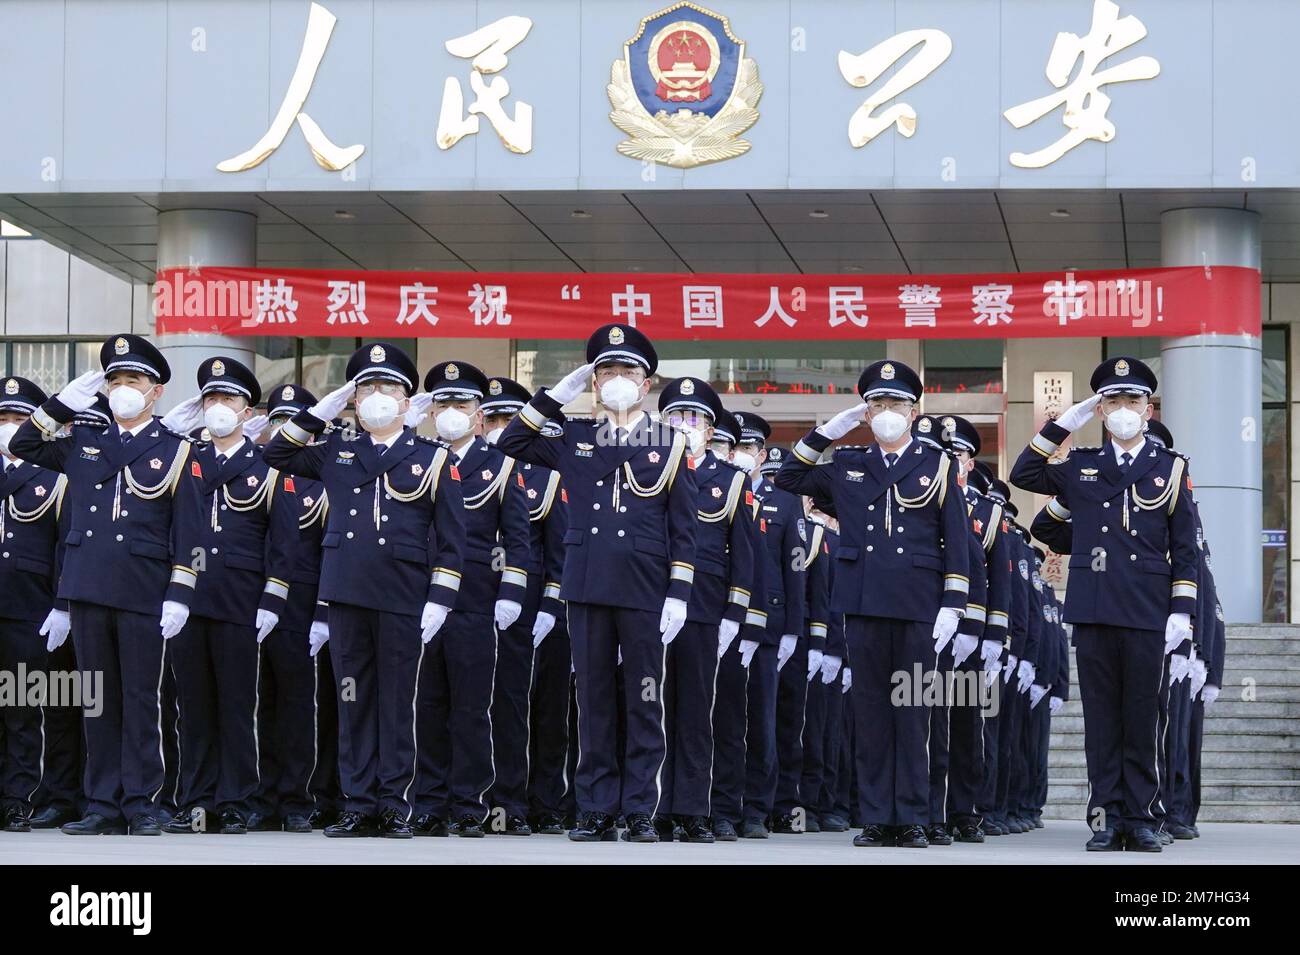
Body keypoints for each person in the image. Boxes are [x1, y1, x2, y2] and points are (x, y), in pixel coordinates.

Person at [497, 323, 697, 843]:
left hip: (646, 588)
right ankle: (595, 806)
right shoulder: (576, 437)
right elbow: (513, 439)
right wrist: (558, 392)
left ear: (646, 383)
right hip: (586, 586)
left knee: (644, 699)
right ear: (593, 382)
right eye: (605, 371)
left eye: (626, 371)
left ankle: (638, 809)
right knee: (593, 699)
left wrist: (678, 592)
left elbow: (685, 529)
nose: (615, 380)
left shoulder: (670, 444)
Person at [263, 342, 465, 838]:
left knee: (397, 703)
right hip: (346, 594)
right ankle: (358, 801)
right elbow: (276, 451)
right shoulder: (338, 450)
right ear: (354, 400)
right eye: (367, 388)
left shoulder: (432, 459)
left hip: (403, 596)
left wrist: (440, 599)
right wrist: (320, 412)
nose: (378, 396)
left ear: (406, 400)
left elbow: (453, 541)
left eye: (389, 387)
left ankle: (395, 802)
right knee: (353, 699)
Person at [11, 334, 205, 835]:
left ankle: (140, 802)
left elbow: (192, 533)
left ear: (155, 390)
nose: (122, 389)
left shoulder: (177, 450)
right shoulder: (85, 442)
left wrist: (181, 592)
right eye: (115, 381)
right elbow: (23, 443)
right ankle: (101, 802)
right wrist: (62, 404)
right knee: (97, 699)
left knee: (142, 701)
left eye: (132, 381)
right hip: (89, 585)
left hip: (143, 590)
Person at [1009, 356, 1200, 853]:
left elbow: (1186, 546)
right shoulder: (1081, 466)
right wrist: (1065, 421)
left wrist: (1182, 610)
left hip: (1146, 608)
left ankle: (1139, 817)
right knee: (1101, 720)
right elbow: (1024, 472)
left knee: (1142, 716)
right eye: (1111, 400)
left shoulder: (1171, 468)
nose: (1122, 409)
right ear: (1100, 410)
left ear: (1148, 407)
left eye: (1131, 400)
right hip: (1093, 608)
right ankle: (1105, 817)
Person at [776, 360, 969, 848]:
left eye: (896, 404)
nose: (887, 412)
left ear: (913, 410)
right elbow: (790, 476)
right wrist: (829, 431)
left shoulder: (938, 464)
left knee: (914, 711)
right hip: (862, 600)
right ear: (865, 412)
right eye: (877, 404)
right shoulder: (847, 464)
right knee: (872, 712)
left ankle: (914, 815)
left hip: (919, 601)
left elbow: (957, 540)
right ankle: (880, 816)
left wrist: (954, 601)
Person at [153, 357, 297, 836]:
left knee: (238, 706)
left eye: (228, 399)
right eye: (211, 398)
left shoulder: (269, 467)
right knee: (191, 705)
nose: (218, 407)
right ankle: (195, 799)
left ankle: (236, 799)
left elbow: (283, 545)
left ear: (247, 410)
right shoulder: (183, 459)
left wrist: (273, 602)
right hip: (188, 598)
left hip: (242, 600)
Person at [409, 360, 529, 838]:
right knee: (426, 703)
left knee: (472, 708)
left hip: (477, 599)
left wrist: (512, 592)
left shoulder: (502, 466)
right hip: (418, 597)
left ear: (479, 415)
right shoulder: (416, 457)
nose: (452, 411)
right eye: (443, 404)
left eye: (461, 404)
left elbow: (518, 537)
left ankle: (468, 803)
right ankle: (429, 802)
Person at [654, 377, 757, 843]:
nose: (684, 425)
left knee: (697, 713)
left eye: (693, 418)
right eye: (675, 416)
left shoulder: (732, 479)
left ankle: (694, 808)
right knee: (649, 708)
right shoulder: (649, 466)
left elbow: (745, 554)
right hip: (650, 607)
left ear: (711, 427)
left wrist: (734, 615)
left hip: (704, 610)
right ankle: (653, 805)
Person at [479, 377, 572, 836]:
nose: (499, 428)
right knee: (490, 704)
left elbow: (558, 551)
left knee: (542, 706)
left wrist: (552, 605)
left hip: (535, 606)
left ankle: (539, 800)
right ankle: (491, 799)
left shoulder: (545, 476)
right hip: (478, 598)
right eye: (492, 418)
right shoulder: (466, 468)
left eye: (507, 420)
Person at [250, 384, 336, 832]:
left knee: (301, 704)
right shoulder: (261, 470)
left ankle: (298, 797)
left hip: (303, 605)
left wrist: (322, 612)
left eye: (294, 420)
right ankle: (264, 796)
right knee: (263, 702)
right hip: (257, 601)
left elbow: (330, 552)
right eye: (277, 420)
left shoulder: (323, 479)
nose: (284, 429)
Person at [0, 377, 71, 832]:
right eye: (2, 418)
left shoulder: (54, 479)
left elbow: (64, 548)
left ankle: (15, 798)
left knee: (21, 709)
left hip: (27, 609)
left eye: (17, 419)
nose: (8, 427)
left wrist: (60, 605)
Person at [736, 430, 806, 839]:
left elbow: (795, 566)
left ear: (761, 455)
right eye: (737, 447)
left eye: (749, 449)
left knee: (762, 719)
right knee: (723, 717)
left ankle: (758, 808)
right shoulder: (712, 487)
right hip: (720, 614)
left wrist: (795, 628)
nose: (743, 455)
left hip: (770, 624)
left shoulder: (784, 501)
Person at [707, 410, 767, 841]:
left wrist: (749, 625)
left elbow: (760, 569)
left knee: (733, 721)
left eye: (742, 447)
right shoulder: (685, 483)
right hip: (688, 616)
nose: (733, 455)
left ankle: (730, 808)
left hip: (736, 621)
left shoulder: (776, 499)